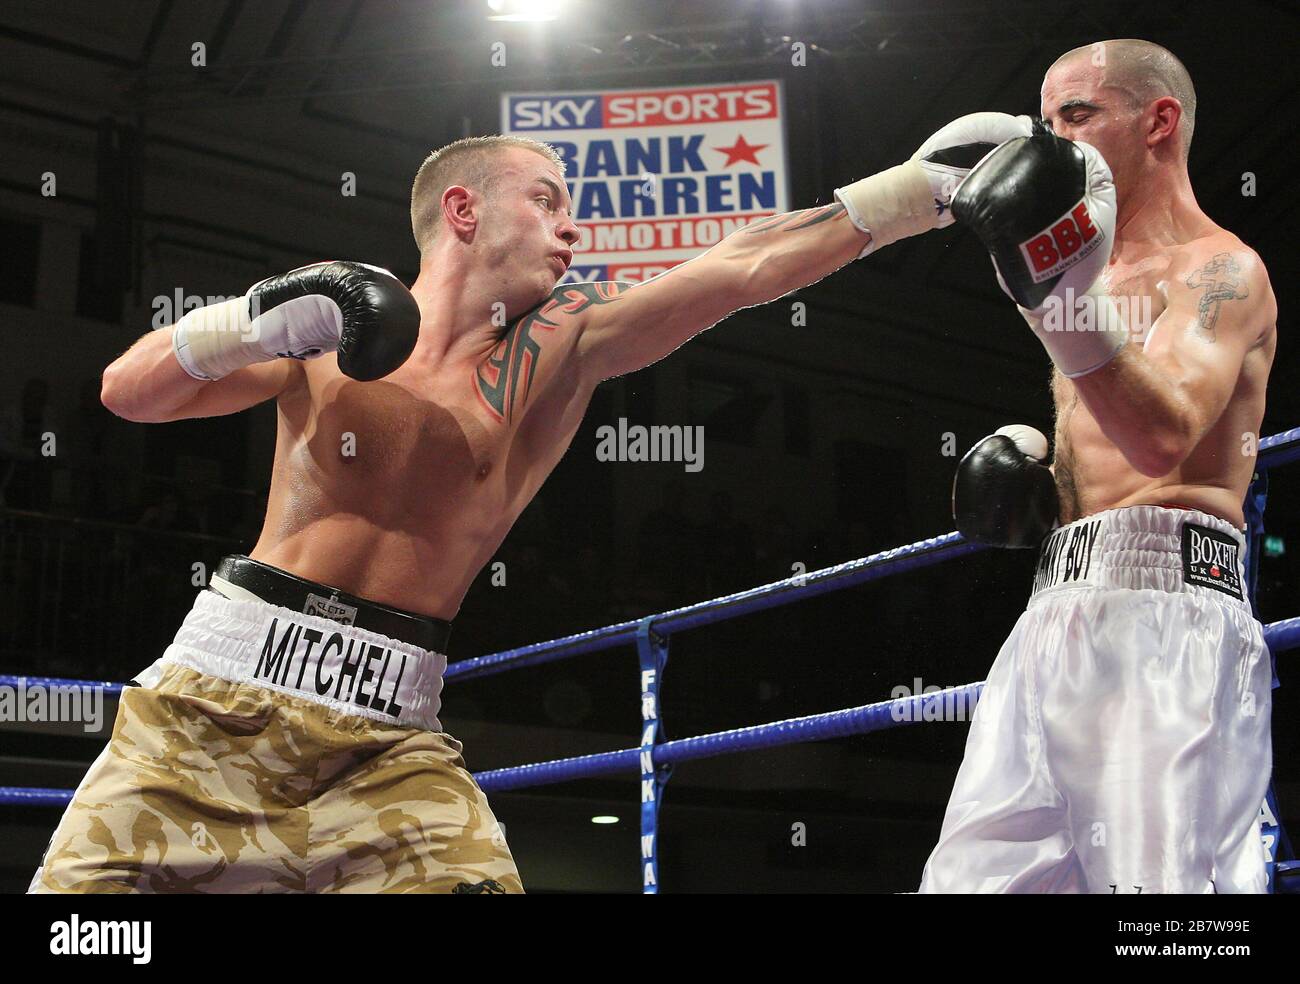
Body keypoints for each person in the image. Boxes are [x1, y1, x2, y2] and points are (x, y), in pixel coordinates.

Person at [32, 113, 1034, 894]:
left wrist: (912, 195)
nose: (572, 227)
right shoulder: (333, 320)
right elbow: (128, 391)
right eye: (548, 201)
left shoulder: (565, 341)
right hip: (210, 708)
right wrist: (255, 323)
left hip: (387, 745)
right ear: (464, 211)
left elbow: (737, 269)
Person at [920, 40, 1277, 893]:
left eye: (1077, 116)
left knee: (1163, 907)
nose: (1055, 142)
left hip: (1169, 617)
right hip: (1055, 609)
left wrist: (1053, 297)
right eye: (1046, 123)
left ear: (1159, 122)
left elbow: (1163, 440)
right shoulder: (1089, 270)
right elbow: (1103, 452)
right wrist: (1039, 490)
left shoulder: (1221, 269)